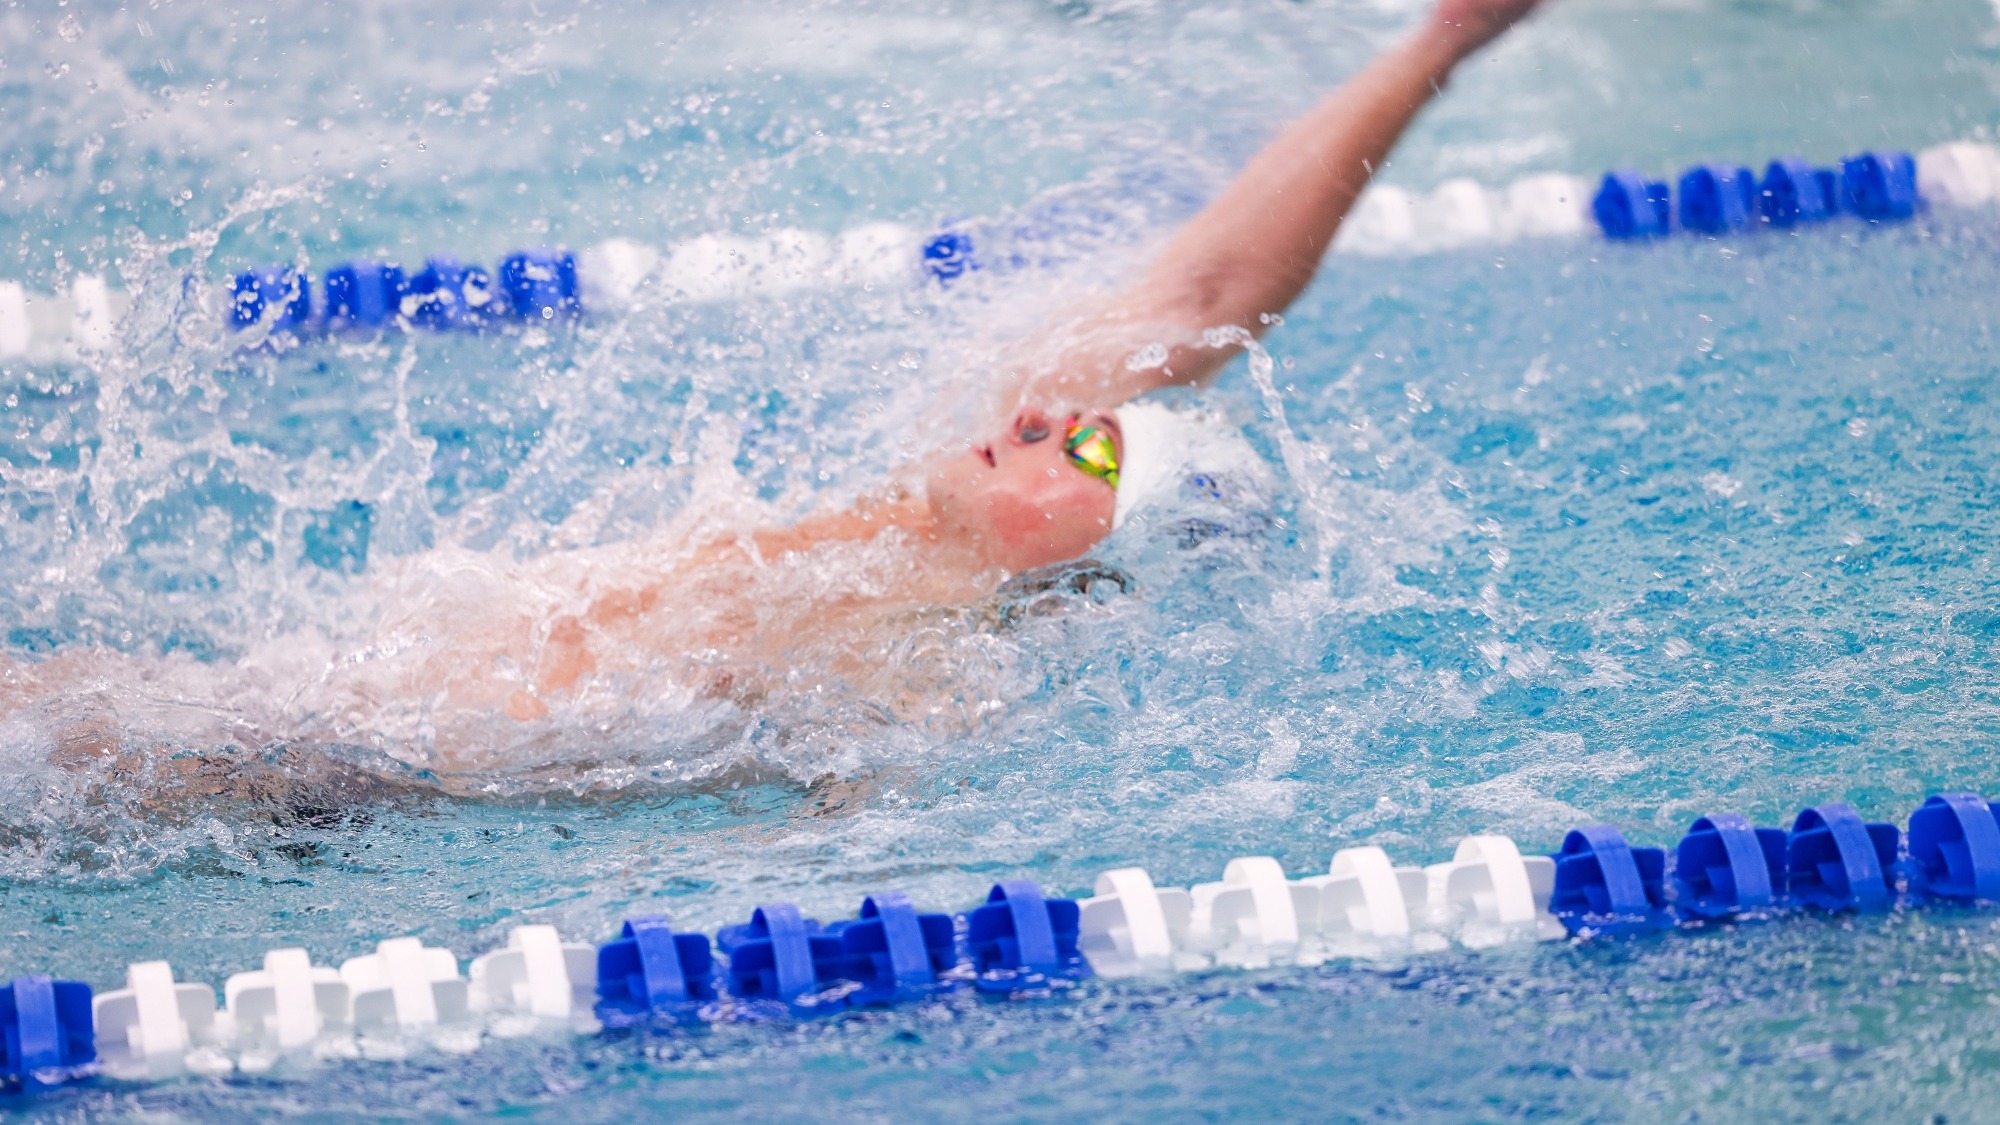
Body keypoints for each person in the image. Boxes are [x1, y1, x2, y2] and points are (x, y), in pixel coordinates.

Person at [3, 0, 1551, 780]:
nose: (1034, 413)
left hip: (311, 768)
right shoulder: (912, 516)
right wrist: (1441, 37)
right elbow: (1199, 301)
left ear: (1093, 551)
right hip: (301, 685)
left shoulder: (926, 656)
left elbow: (844, 828)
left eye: (1081, 446)